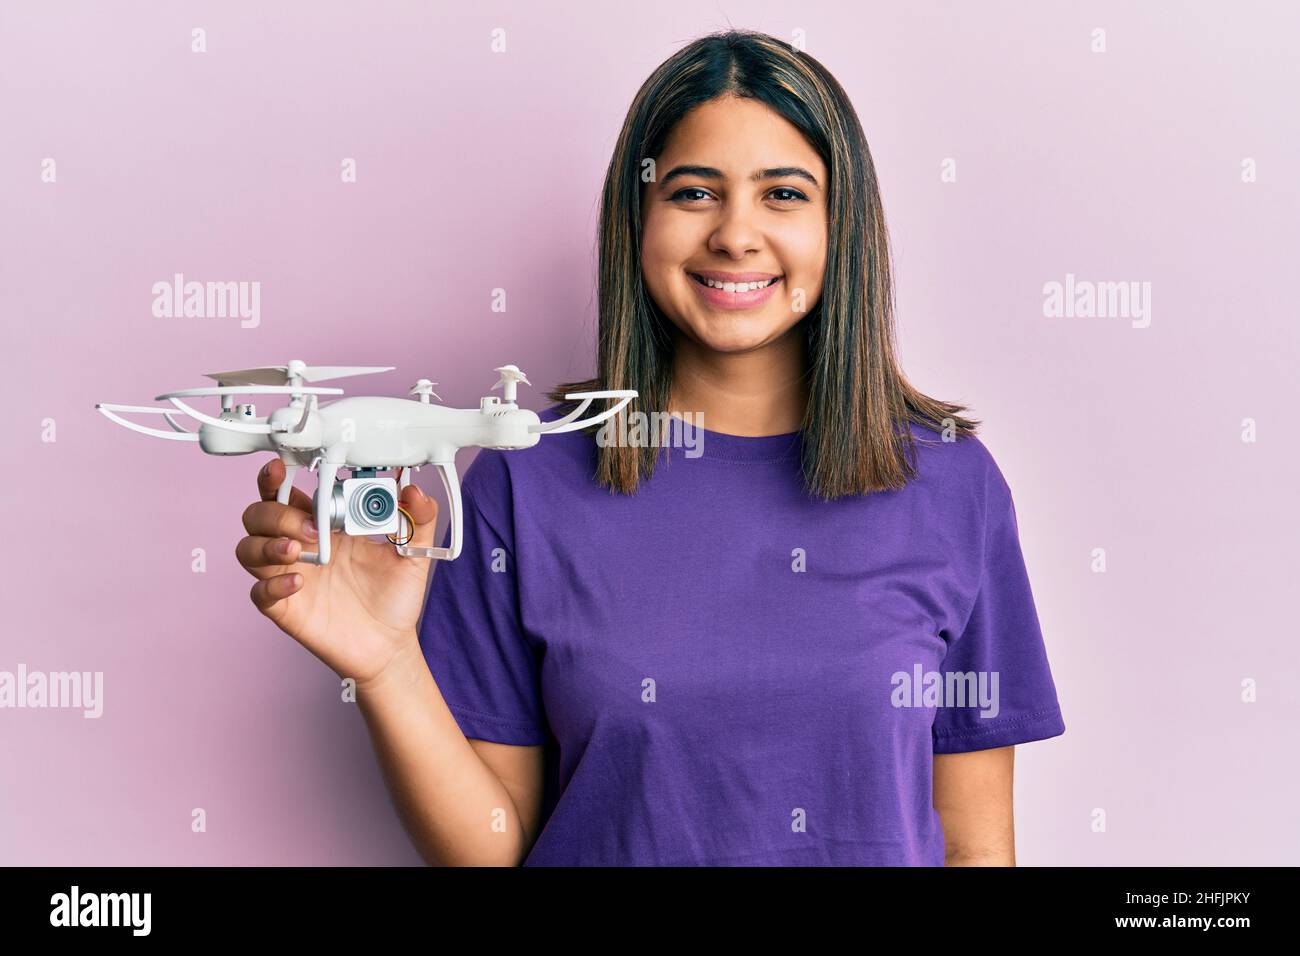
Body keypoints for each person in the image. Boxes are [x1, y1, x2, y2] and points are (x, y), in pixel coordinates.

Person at [237, 28, 1064, 867]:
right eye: (694, 193)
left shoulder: (954, 485)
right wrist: (385, 666)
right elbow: (492, 852)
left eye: (782, 195)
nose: (736, 236)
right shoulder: (525, 482)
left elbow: (976, 847)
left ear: (840, 227)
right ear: (639, 217)